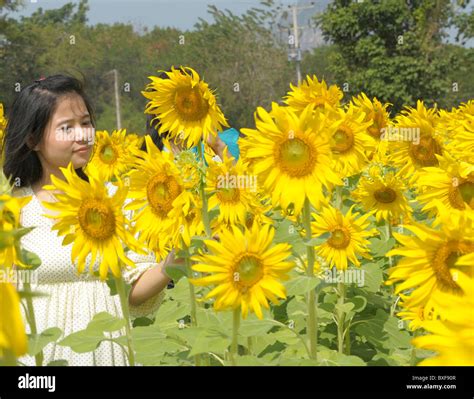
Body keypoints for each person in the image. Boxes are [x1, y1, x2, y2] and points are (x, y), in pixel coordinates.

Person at [3, 75, 175, 366]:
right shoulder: (12, 208)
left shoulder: (115, 199)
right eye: (66, 127)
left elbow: (133, 292)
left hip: (107, 355)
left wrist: (175, 262)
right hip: (35, 362)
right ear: (32, 139)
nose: (83, 135)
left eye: (85, 123)